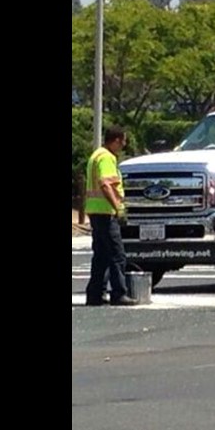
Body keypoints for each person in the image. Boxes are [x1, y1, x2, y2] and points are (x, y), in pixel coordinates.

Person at [84, 125, 138, 306]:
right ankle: (119, 293)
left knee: (101, 254)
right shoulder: (106, 157)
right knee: (117, 254)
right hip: (106, 212)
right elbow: (106, 184)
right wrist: (118, 208)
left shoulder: (96, 155)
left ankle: (95, 294)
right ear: (115, 140)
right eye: (122, 141)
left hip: (95, 210)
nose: (123, 145)